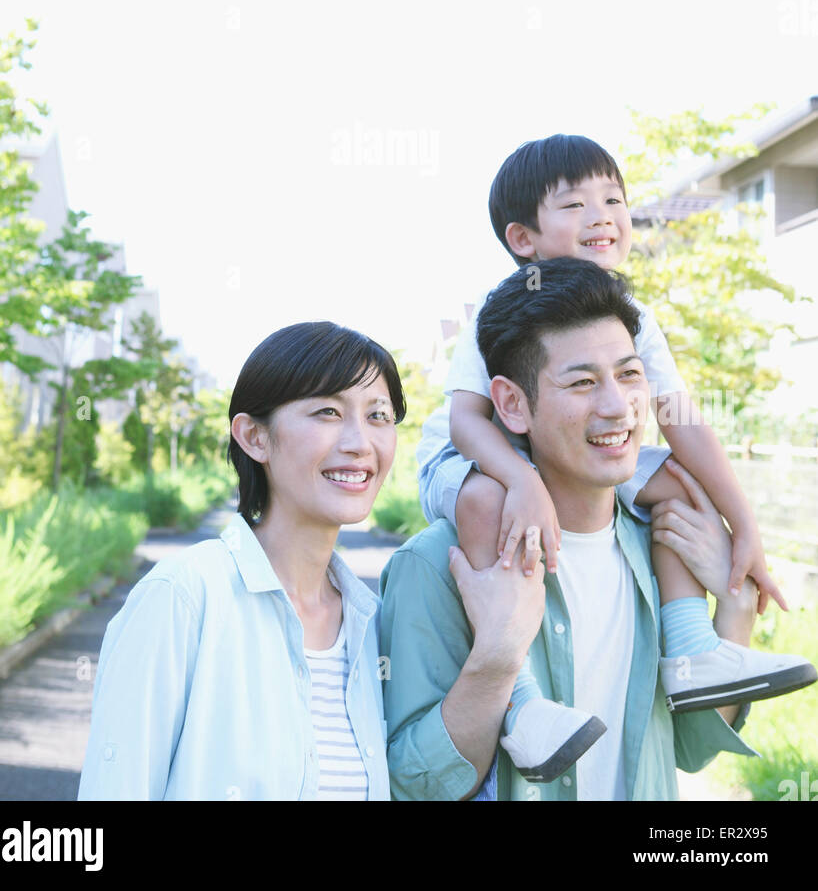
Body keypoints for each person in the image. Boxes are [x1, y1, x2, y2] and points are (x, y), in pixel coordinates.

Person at [415, 133, 803, 780]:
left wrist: (747, 531)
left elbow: (683, 421)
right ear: (523, 239)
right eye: (575, 204)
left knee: (679, 485)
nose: (602, 215)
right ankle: (521, 707)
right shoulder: (505, 309)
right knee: (487, 499)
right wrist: (521, 480)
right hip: (476, 458)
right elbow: (465, 421)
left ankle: (690, 648)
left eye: (613, 199)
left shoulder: (632, 316)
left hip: (560, 461)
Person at [78, 321, 405, 801]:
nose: (360, 442)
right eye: (328, 411)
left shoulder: (371, 623)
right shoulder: (184, 597)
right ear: (254, 437)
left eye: (378, 415)